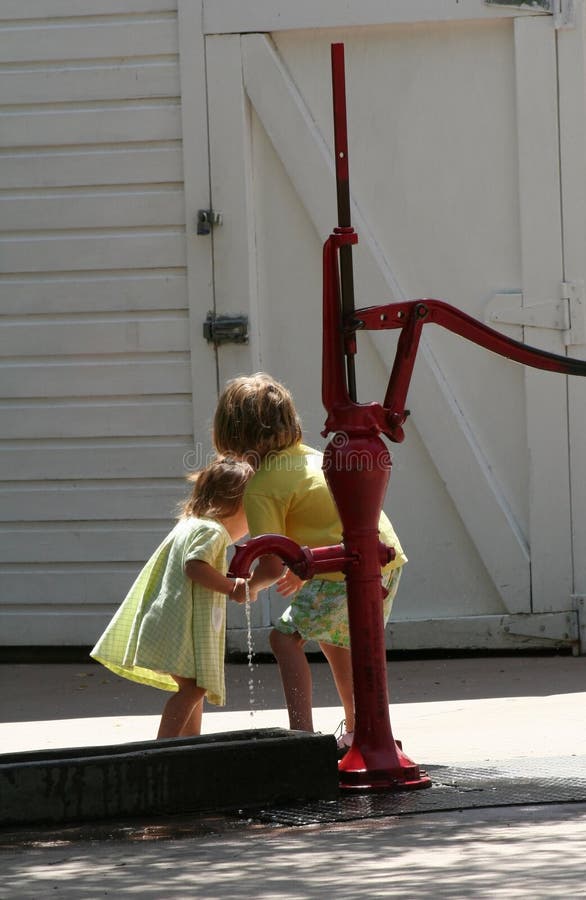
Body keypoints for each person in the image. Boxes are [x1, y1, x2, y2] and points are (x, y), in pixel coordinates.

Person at [213, 372, 407, 753]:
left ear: (233, 434)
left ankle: (302, 740)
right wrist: (306, 572)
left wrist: (244, 588)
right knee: (338, 642)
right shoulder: (311, 458)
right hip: (382, 554)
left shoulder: (262, 485)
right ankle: (358, 730)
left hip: (350, 565)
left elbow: (269, 563)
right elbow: (322, 519)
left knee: (284, 639)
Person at [91, 457, 255, 739]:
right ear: (234, 504)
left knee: (194, 686)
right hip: (176, 628)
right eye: (252, 510)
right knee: (193, 688)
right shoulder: (212, 531)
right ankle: (164, 748)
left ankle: (189, 746)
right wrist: (232, 587)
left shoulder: (191, 524)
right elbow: (195, 566)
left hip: (167, 623)